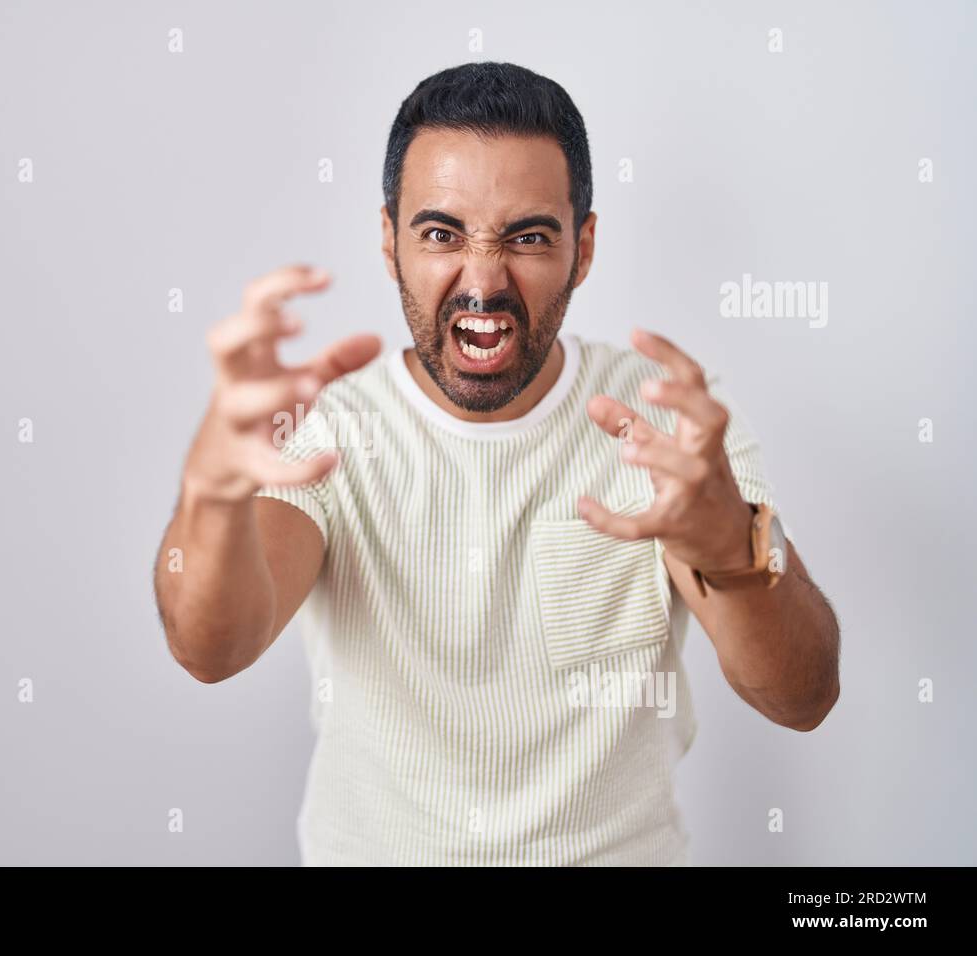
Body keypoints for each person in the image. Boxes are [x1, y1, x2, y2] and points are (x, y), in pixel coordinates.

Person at [153, 61, 840, 866]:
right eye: (442, 234)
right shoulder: (329, 426)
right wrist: (211, 493)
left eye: (528, 237)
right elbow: (212, 649)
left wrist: (732, 549)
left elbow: (803, 697)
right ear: (389, 241)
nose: (482, 283)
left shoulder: (668, 425)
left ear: (583, 249)